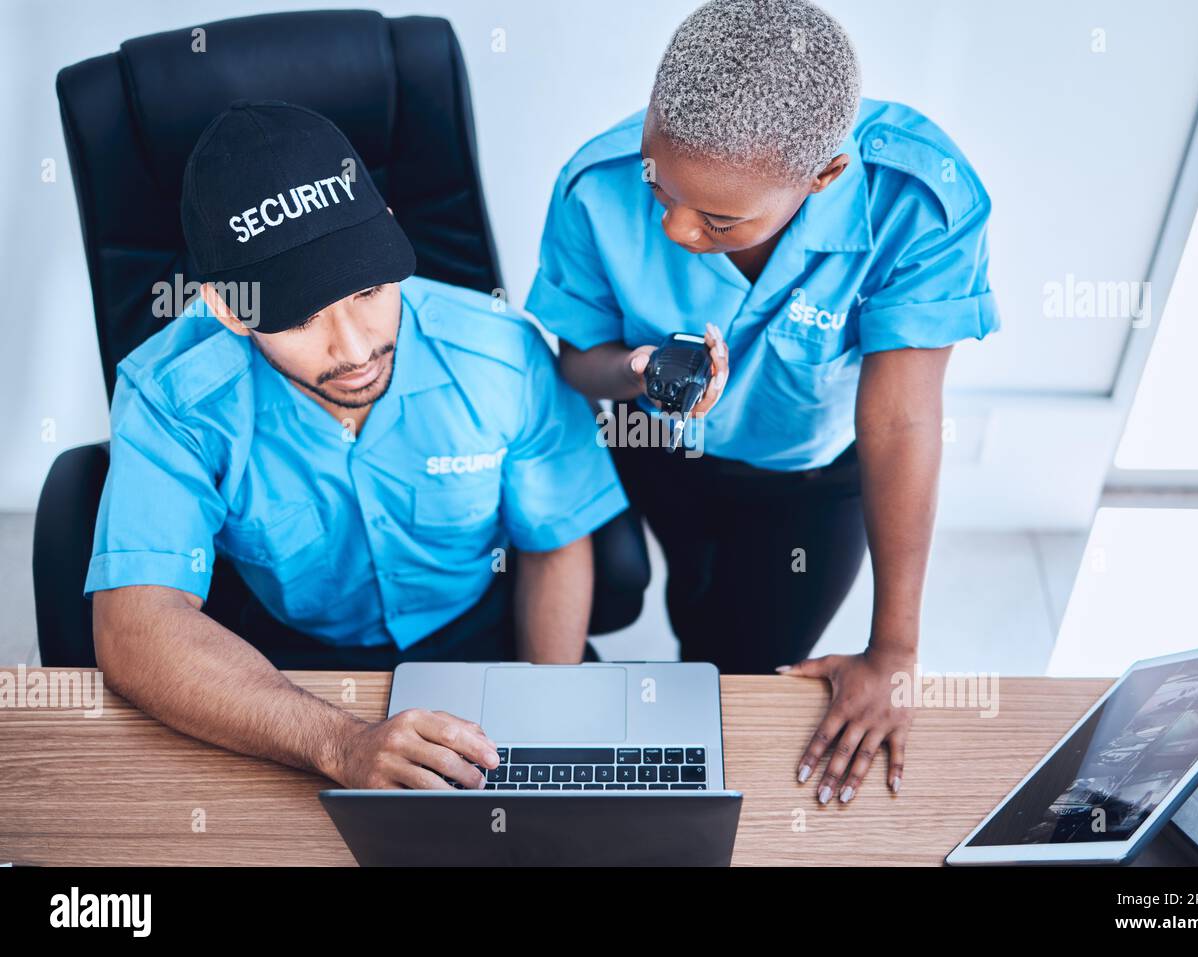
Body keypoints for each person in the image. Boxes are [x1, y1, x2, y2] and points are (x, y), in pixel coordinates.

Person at [525, 0, 999, 804]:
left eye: (718, 218)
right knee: (674, 590)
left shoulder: (919, 202)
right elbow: (579, 367)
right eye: (658, 180)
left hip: (806, 485)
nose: (674, 228)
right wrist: (637, 371)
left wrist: (893, 654)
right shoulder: (592, 186)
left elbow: (901, 417)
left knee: (734, 665)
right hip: (654, 453)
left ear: (823, 178)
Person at [86, 101, 627, 790]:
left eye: (369, 289)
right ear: (227, 308)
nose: (356, 348)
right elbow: (134, 625)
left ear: (391, 235)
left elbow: (553, 539)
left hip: (477, 636)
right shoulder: (173, 396)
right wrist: (339, 743)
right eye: (301, 316)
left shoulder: (498, 351)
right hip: (288, 667)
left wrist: (542, 722)